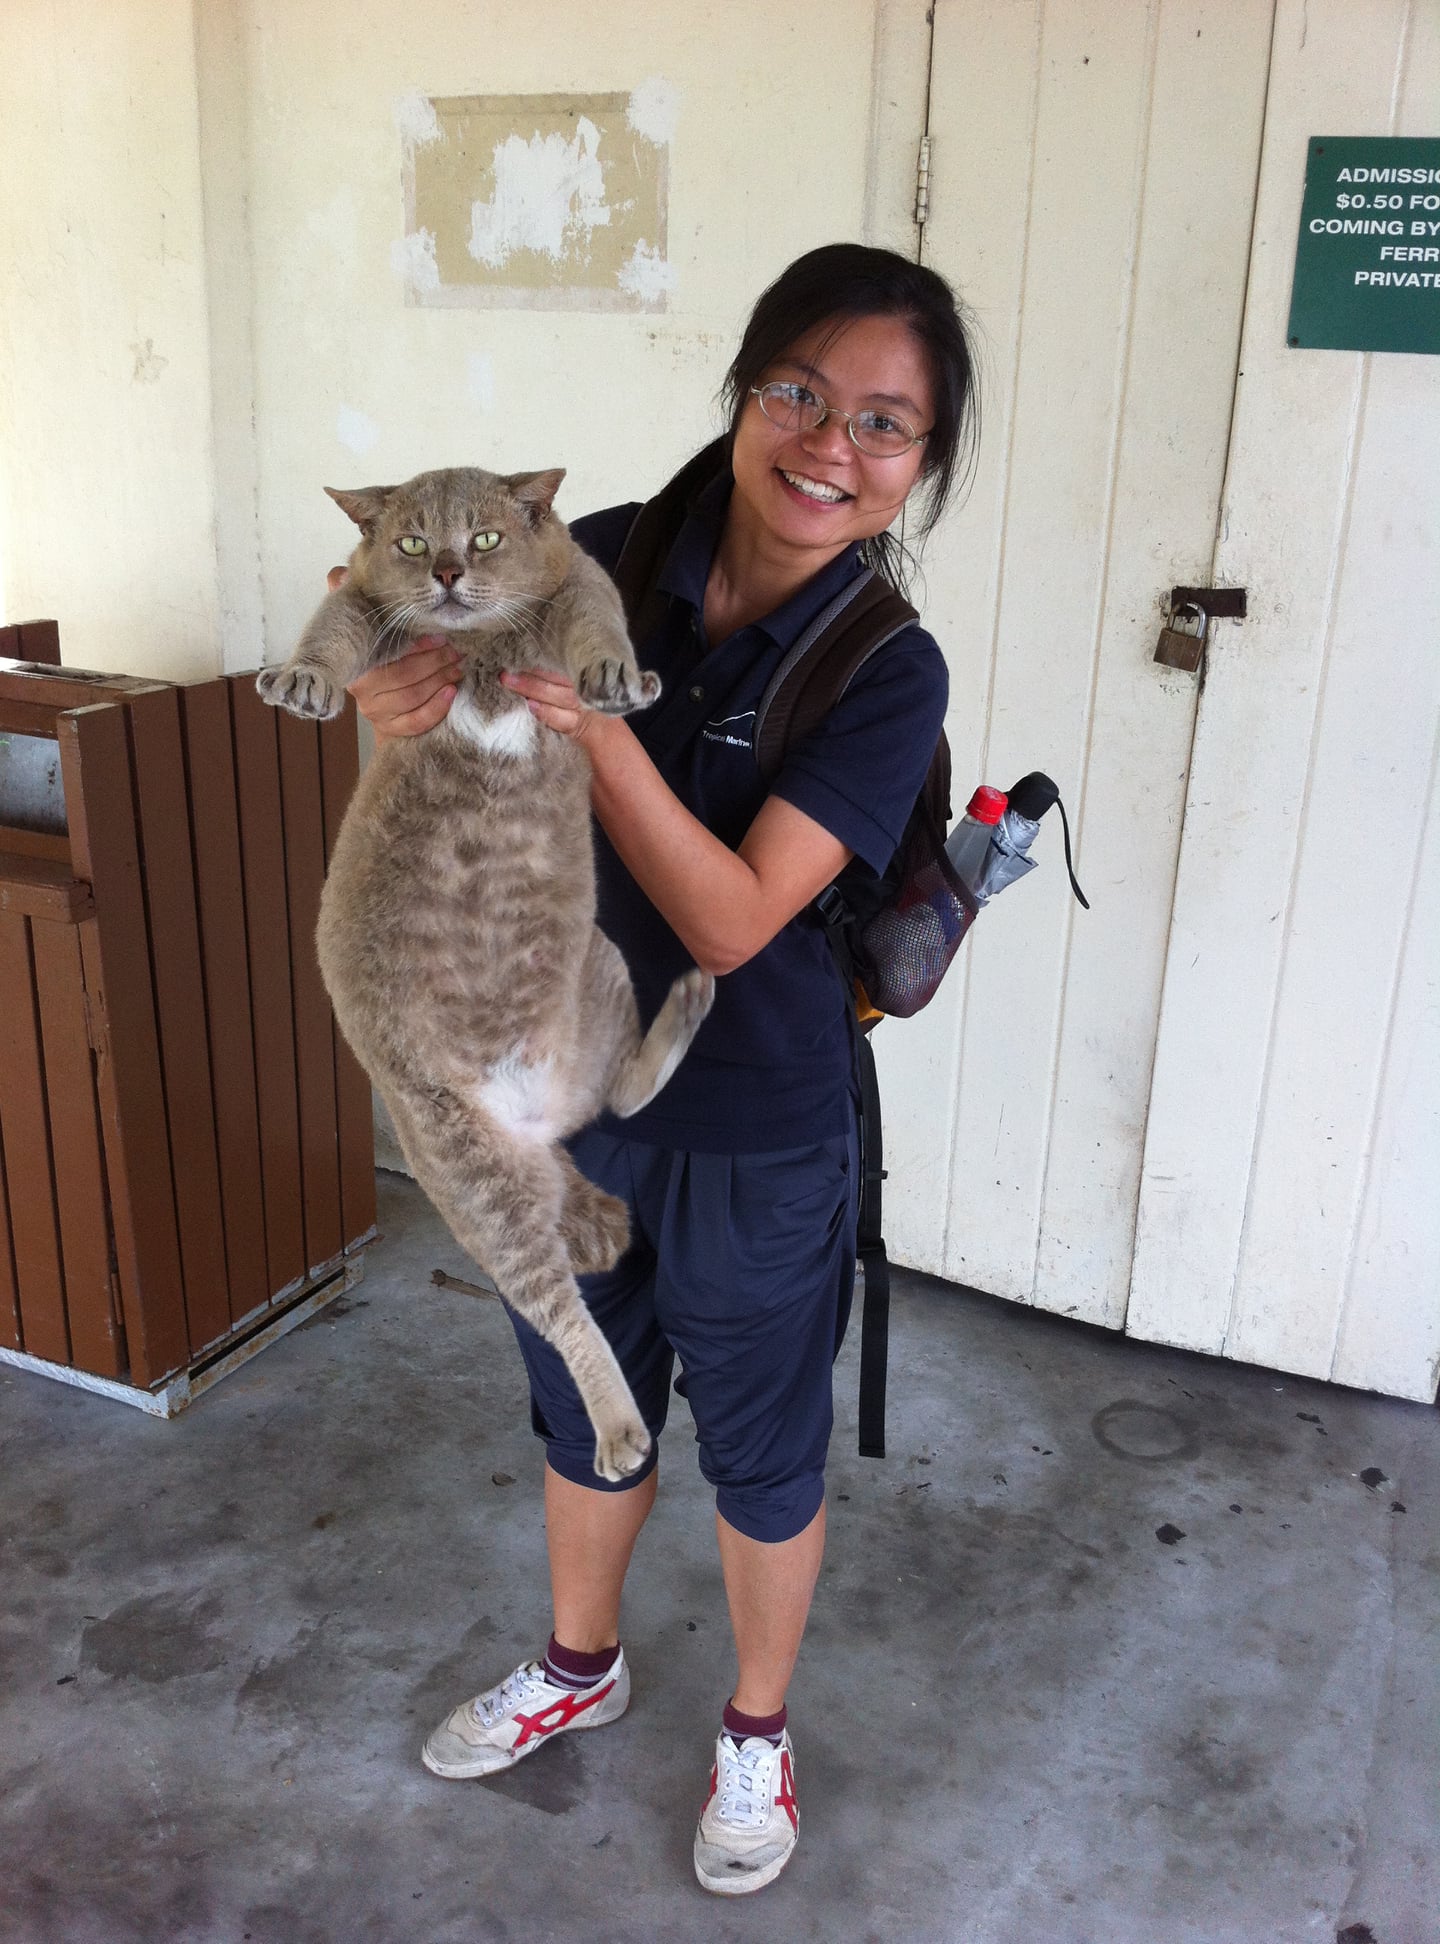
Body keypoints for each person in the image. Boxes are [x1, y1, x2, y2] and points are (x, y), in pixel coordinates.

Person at [348, 242, 979, 1895]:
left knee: (761, 1451)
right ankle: (579, 1666)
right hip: (562, 1094)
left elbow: (732, 914)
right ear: (745, 387)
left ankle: (755, 1735)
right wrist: (398, 712)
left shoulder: (884, 668)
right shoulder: (599, 552)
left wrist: (591, 721)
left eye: (887, 424)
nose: (831, 444)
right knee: (581, 1402)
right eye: (800, 393)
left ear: (922, 462)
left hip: (756, 1131)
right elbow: (445, 762)